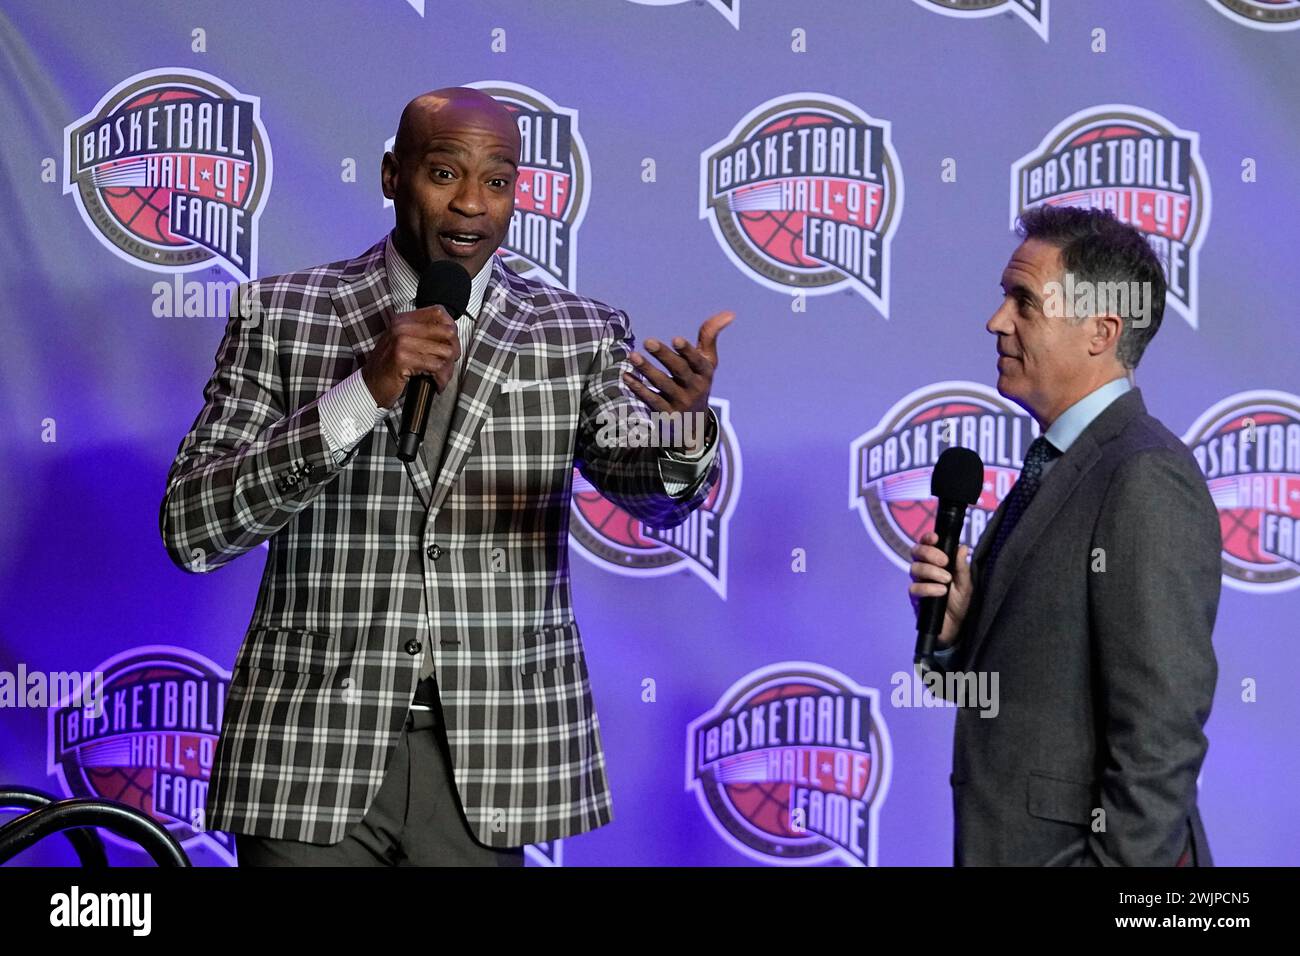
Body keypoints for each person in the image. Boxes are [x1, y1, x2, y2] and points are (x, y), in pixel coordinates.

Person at [160, 87, 733, 865]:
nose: (472, 204)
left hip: (487, 761)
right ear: (393, 175)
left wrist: (681, 432)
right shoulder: (284, 313)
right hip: (307, 751)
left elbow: (644, 489)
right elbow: (194, 527)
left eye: (497, 181)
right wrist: (360, 392)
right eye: (444, 173)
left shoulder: (575, 332)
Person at [907, 205, 1220, 866]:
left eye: (1024, 302)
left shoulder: (1142, 475)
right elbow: (1028, 696)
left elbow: (1159, 737)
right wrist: (959, 637)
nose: (997, 322)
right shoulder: (1058, 465)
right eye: (1003, 299)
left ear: (1100, 331)